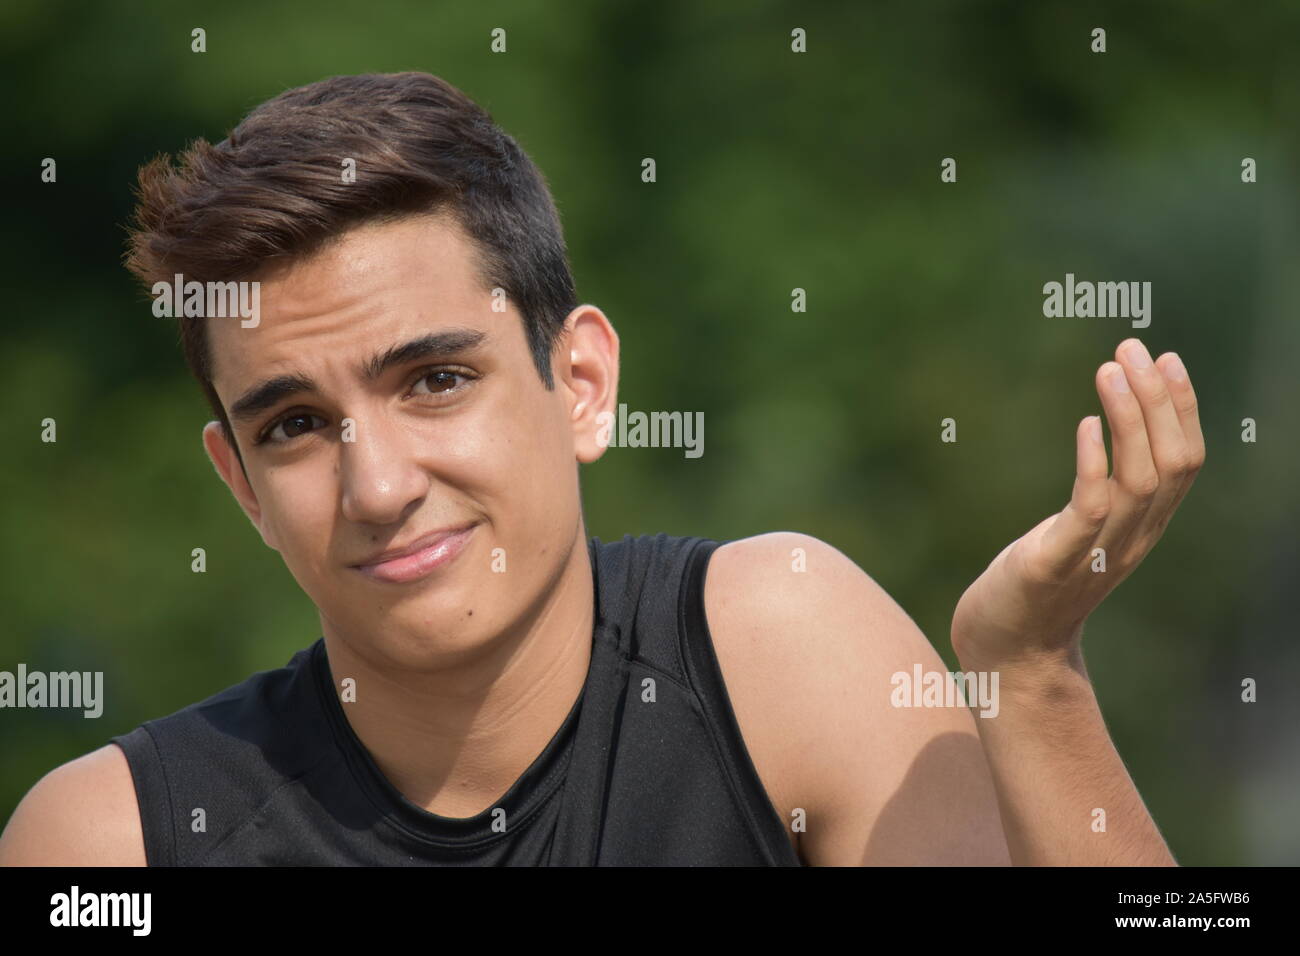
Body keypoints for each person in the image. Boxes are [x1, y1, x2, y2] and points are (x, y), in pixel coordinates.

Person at [0, 72, 1203, 866]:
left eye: (434, 380)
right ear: (240, 487)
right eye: (295, 426)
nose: (376, 485)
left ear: (579, 383)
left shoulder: (776, 655)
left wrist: (1030, 675)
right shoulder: (117, 846)